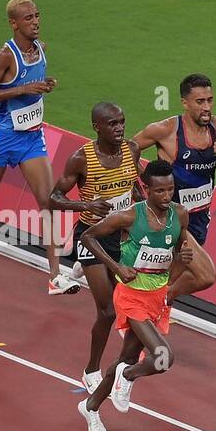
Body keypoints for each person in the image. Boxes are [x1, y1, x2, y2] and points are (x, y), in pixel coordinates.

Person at [76, 160, 189, 431]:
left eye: (171, 190)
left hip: (157, 298)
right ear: (146, 189)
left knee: (126, 357)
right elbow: (87, 237)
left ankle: (91, 407)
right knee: (164, 358)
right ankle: (126, 378)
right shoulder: (128, 217)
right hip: (130, 297)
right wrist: (116, 268)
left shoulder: (180, 215)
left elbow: (174, 256)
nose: (166, 196)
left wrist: (181, 262)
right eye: (160, 191)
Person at [0, 0, 72, 295]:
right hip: (4, 136)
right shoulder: (5, 55)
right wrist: (23, 89)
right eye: (28, 18)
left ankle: (55, 275)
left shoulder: (41, 50)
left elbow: (32, 87)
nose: (36, 22)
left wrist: (43, 86)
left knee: (49, 201)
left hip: (31, 137)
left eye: (37, 16)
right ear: (14, 23)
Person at [49, 102, 142, 392]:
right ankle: (91, 370)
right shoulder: (81, 159)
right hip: (92, 235)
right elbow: (54, 198)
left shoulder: (132, 150)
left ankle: (83, 268)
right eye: (112, 123)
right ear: (97, 127)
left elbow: (133, 185)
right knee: (107, 312)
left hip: (123, 236)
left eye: (122, 122)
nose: (119, 128)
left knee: (130, 305)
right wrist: (85, 204)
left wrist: (143, 208)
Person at [133, 73, 216, 301]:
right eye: (200, 102)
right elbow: (127, 150)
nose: (207, 107)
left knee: (169, 275)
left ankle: (156, 301)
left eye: (210, 100)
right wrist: (143, 184)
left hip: (199, 218)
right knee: (205, 276)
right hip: (170, 218)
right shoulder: (165, 130)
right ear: (185, 103)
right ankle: (155, 301)